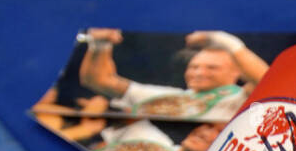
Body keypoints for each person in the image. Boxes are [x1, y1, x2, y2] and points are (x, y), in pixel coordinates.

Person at [79, 29, 269, 121]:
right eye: (194, 67)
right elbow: (98, 80)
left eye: (212, 68)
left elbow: (268, 80)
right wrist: (100, 44)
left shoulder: (240, 99)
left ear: (237, 72)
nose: (199, 73)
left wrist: (222, 39)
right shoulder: (171, 99)